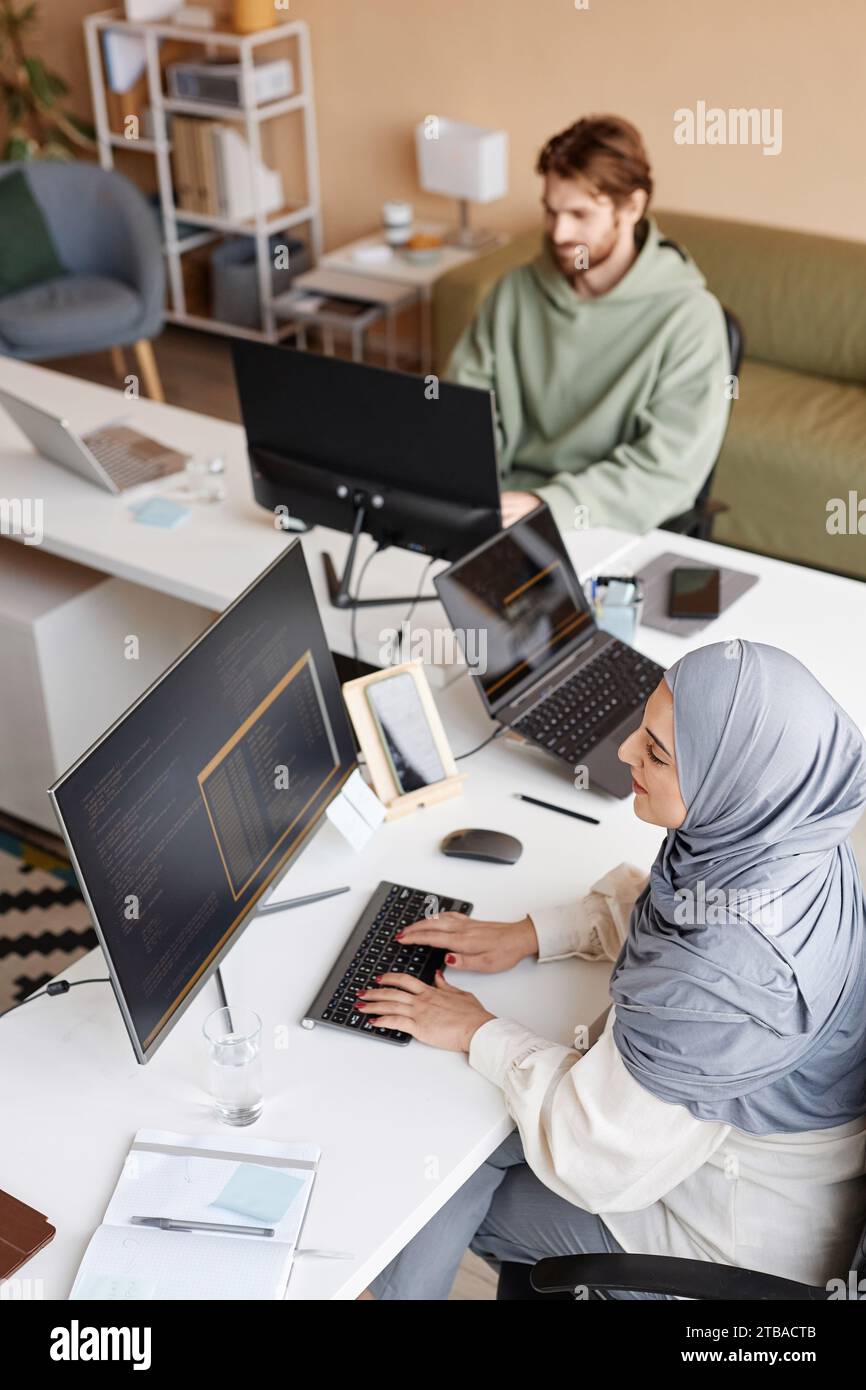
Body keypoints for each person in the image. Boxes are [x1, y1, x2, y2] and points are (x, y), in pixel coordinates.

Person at [356, 640, 866, 1300]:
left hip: (736, 1236)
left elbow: (594, 1157)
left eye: (656, 753)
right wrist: (533, 933)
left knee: (449, 1172)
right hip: (761, 1157)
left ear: (733, 779)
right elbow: (680, 916)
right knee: (475, 1129)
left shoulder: (730, 982)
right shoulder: (788, 831)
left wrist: (476, 1029)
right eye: (644, 732)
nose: (625, 753)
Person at [447, 115, 732, 534]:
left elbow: (665, 473)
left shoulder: (689, 319)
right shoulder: (514, 293)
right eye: (551, 211)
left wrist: (548, 505)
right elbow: (463, 409)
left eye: (579, 214)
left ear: (632, 207)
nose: (559, 232)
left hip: (604, 523)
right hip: (499, 513)